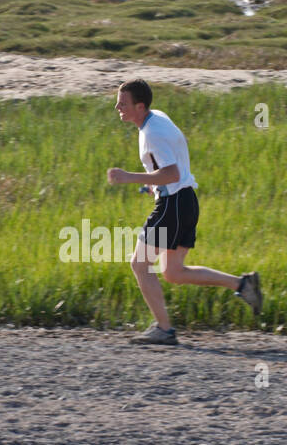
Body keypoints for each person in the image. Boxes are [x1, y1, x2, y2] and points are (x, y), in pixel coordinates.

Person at [106, 78, 262, 345]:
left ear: (140, 106)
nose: (117, 108)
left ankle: (164, 330)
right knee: (173, 273)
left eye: (122, 104)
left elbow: (171, 172)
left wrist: (129, 177)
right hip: (186, 200)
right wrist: (151, 186)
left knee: (139, 264)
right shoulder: (157, 118)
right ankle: (243, 285)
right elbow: (173, 161)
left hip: (173, 205)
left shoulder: (151, 133)